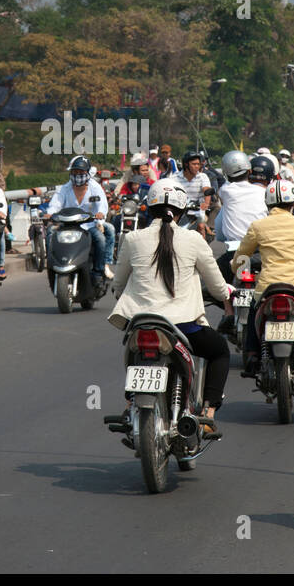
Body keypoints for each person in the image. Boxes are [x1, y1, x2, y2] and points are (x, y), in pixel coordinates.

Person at [110, 180, 234, 434]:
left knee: (132, 351)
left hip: (142, 324)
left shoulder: (133, 238)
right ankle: (208, 413)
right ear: (181, 209)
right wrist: (226, 294)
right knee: (220, 350)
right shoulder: (193, 239)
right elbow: (218, 287)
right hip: (184, 328)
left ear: (148, 207)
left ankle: (130, 401)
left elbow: (118, 285)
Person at [235, 179, 294, 379]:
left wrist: (235, 266)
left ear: (268, 203)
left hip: (266, 288)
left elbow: (241, 257)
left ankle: (252, 355)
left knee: (254, 313)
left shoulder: (258, 226)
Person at [47, 156, 115, 280]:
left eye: (81, 172)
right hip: (68, 225)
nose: (77, 175)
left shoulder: (95, 188)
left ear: (88, 173)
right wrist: (50, 214)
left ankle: (99, 271)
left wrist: (99, 218)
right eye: (74, 172)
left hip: (89, 225)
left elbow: (102, 206)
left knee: (100, 238)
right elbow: (55, 204)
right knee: (50, 232)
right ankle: (52, 265)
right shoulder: (64, 188)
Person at [213, 150, 268, 282]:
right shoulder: (262, 192)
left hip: (234, 252)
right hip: (260, 250)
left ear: (226, 174)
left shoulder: (225, 191)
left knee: (219, 287)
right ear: (249, 171)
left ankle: (226, 303)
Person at [171, 151, 212, 234]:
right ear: (186, 164)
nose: (197, 166)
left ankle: (203, 246)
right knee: (170, 226)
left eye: (198, 164)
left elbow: (206, 190)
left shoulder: (202, 177)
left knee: (201, 227)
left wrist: (206, 203)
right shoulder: (175, 177)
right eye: (194, 164)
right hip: (180, 210)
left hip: (198, 210)